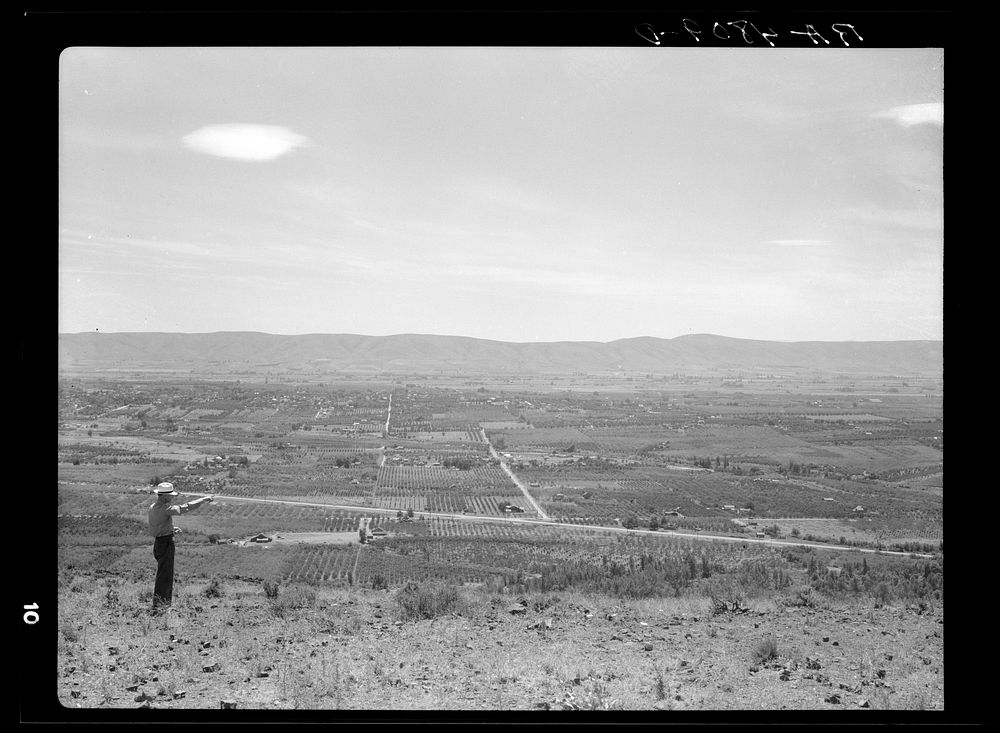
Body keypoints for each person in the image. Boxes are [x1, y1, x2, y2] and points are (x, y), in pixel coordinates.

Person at [148, 482, 213, 613]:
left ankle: (160, 604)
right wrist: (203, 499)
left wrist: (170, 529)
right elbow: (185, 508)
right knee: (165, 575)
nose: (172, 498)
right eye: (171, 496)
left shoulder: (153, 507)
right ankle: (161, 606)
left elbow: (157, 525)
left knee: (162, 573)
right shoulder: (166, 508)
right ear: (166, 497)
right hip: (166, 543)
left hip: (158, 543)